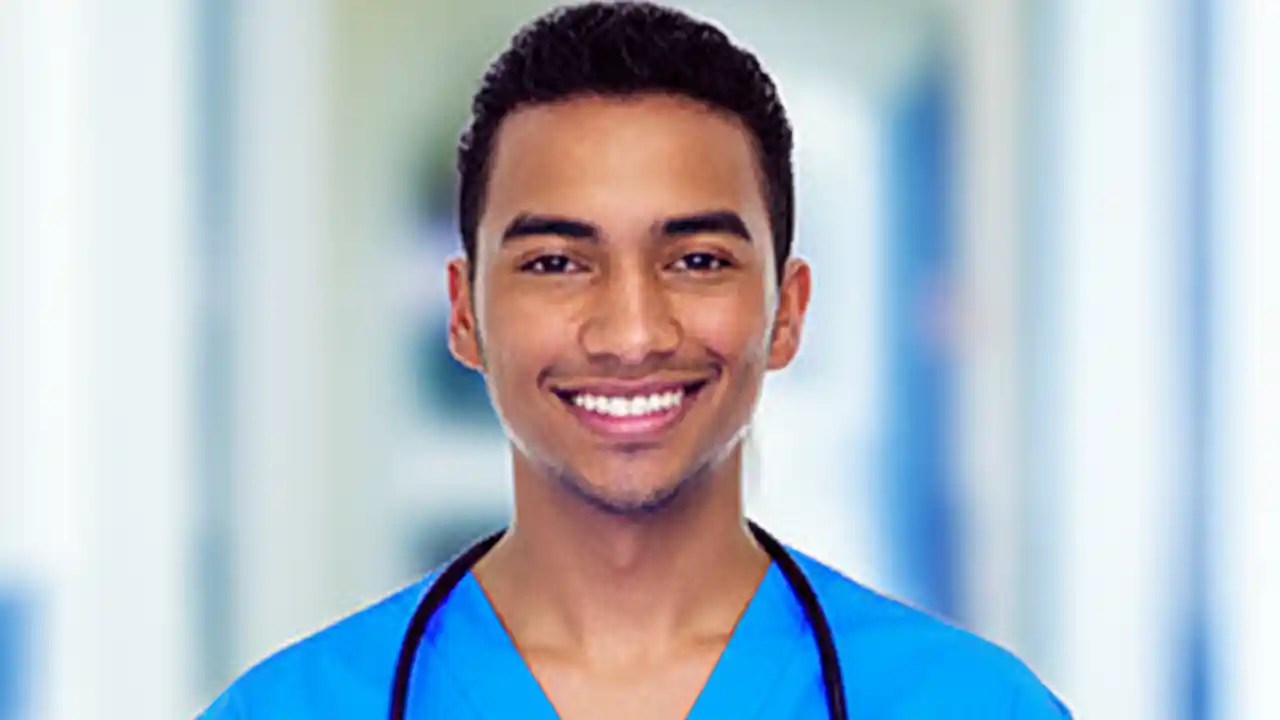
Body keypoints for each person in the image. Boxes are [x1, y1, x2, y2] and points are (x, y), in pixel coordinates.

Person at [200, 2, 1069, 717]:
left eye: (696, 261)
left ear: (787, 313)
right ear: (464, 315)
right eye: (556, 263)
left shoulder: (970, 703)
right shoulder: (292, 707)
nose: (632, 333)